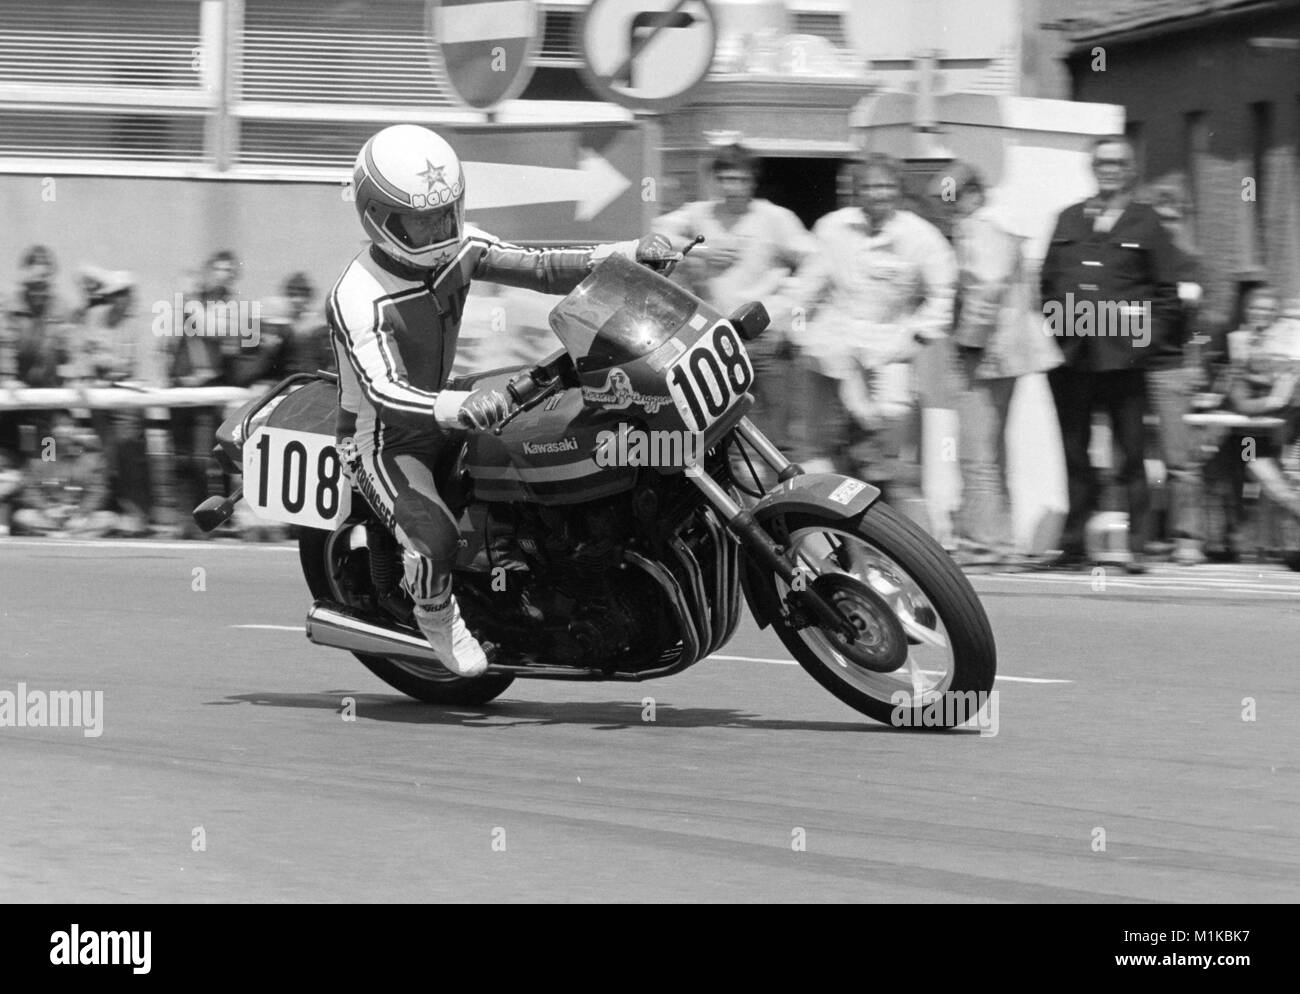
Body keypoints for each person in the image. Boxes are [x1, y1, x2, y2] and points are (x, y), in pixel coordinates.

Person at [330, 124, 673, 677]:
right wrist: (457, 409)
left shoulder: (460, 248)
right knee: (435, 538)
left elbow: (539, 264)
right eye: (419, 220)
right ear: (378, 216)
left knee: (560, 420)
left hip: (452, 399)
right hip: (386, 436)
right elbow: (384, 392)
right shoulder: (358, 295)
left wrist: (626, 253)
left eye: (445, 213)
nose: (437, 228)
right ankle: (436, 615)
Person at [1039, 136, 1183, 573]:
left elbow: (1166, 294)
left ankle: (1137, 547)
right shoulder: (1069, 217)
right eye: (1102, 162)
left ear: (1131, 169)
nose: (1109, 169)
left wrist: (1144, 342)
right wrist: (1059, 330)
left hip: (1124, 358)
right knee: (1075, 454)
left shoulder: (1147, 222)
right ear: (1092, 166)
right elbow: (1047, 281)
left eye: (1118, 162)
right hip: (1075, 357)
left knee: (1130, 455)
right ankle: (1074, 545)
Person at [795, 152, 957, 532]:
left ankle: (912, 541)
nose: (877, 194)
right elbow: (806, 287)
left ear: (898, 190)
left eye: (885, 185)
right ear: (856, 190)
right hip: (833, 353)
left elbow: (942, 293)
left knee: (888, 452)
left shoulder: (920, 236)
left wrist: (915, 336)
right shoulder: (832, 229)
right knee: (821, 448)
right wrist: (795, 329)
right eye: (869, 185)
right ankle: (827, 534)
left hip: (890, 353)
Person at [931, 163, 1062, 566]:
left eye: (950, 197)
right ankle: (996, 538)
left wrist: (967, 343)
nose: (947, 207)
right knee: (990, 450)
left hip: (987, 354)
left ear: (972, 194)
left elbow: (985, 289)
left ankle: (985, 543)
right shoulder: (998, 225)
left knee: (976, 452)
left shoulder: (978, 227)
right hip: (1007, 355)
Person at [653, 141, 823, 451]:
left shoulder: (775, 218)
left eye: (741, 179)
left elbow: (815, 262)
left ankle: (781, 497)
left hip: (766, 339)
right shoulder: (699, 214)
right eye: (727, 179)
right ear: (716, 180)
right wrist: (702, 250)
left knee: (776, 436)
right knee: (721, 433)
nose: (734, 187)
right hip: (717, 341)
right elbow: (655, 237)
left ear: (753, 180)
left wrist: (784, 308)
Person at [1203, 286, 1300, 558]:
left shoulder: (1288, 344)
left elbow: (1285, 391)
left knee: (1270, 482)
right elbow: (1240, 399)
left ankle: (1253, 541)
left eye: (1268, 310)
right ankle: (1236, 541)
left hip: (1281, 434)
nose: (1261, 314)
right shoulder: (1238, 342)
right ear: (1246, 311)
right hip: (1249, 435)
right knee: (1240, 477)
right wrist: (1271, 400)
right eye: (1257, 308)